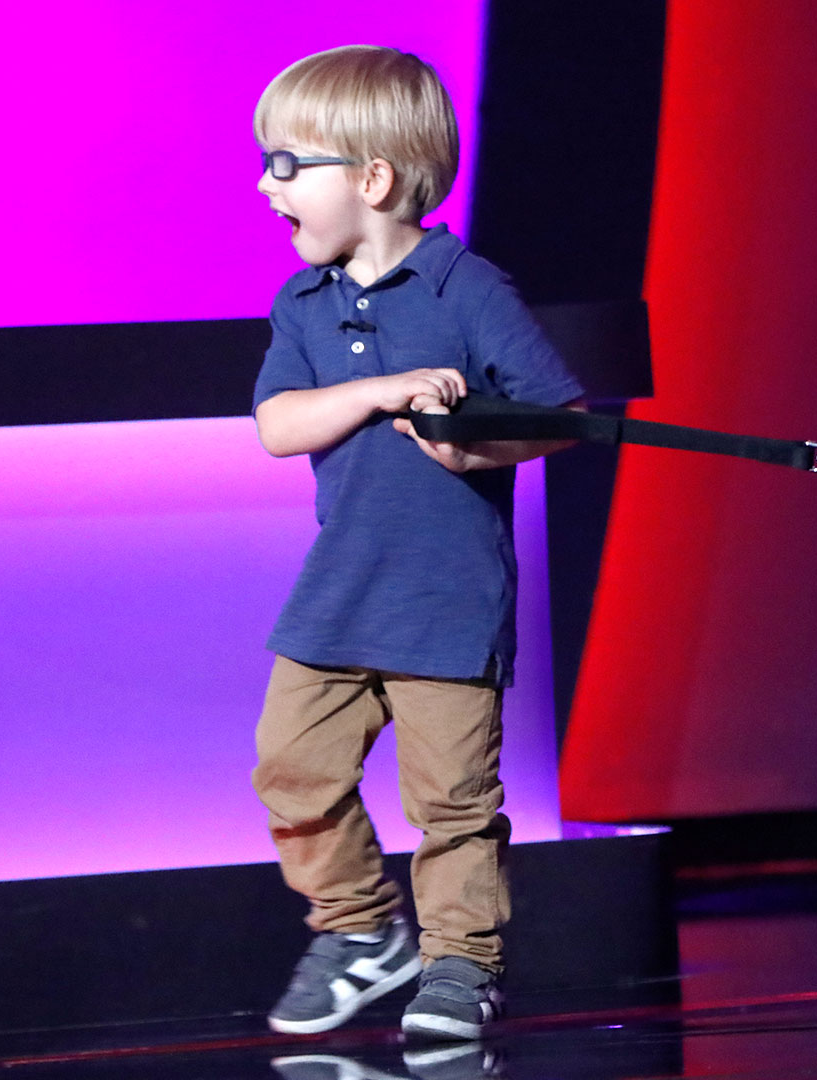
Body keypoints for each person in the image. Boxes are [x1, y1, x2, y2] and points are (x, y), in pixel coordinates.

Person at [246, 44, 584, 1042]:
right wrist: (381, 391)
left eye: (285, 165)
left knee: (454, 802)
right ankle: (359, 933)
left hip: (445, 602)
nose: (266, 187)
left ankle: (458, 965)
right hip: (340, 594)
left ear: (374, 179)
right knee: (291, 765)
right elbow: (278, 427)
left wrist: (478, 451)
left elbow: (556, 415)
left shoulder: (463, 287)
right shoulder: (302, 303)